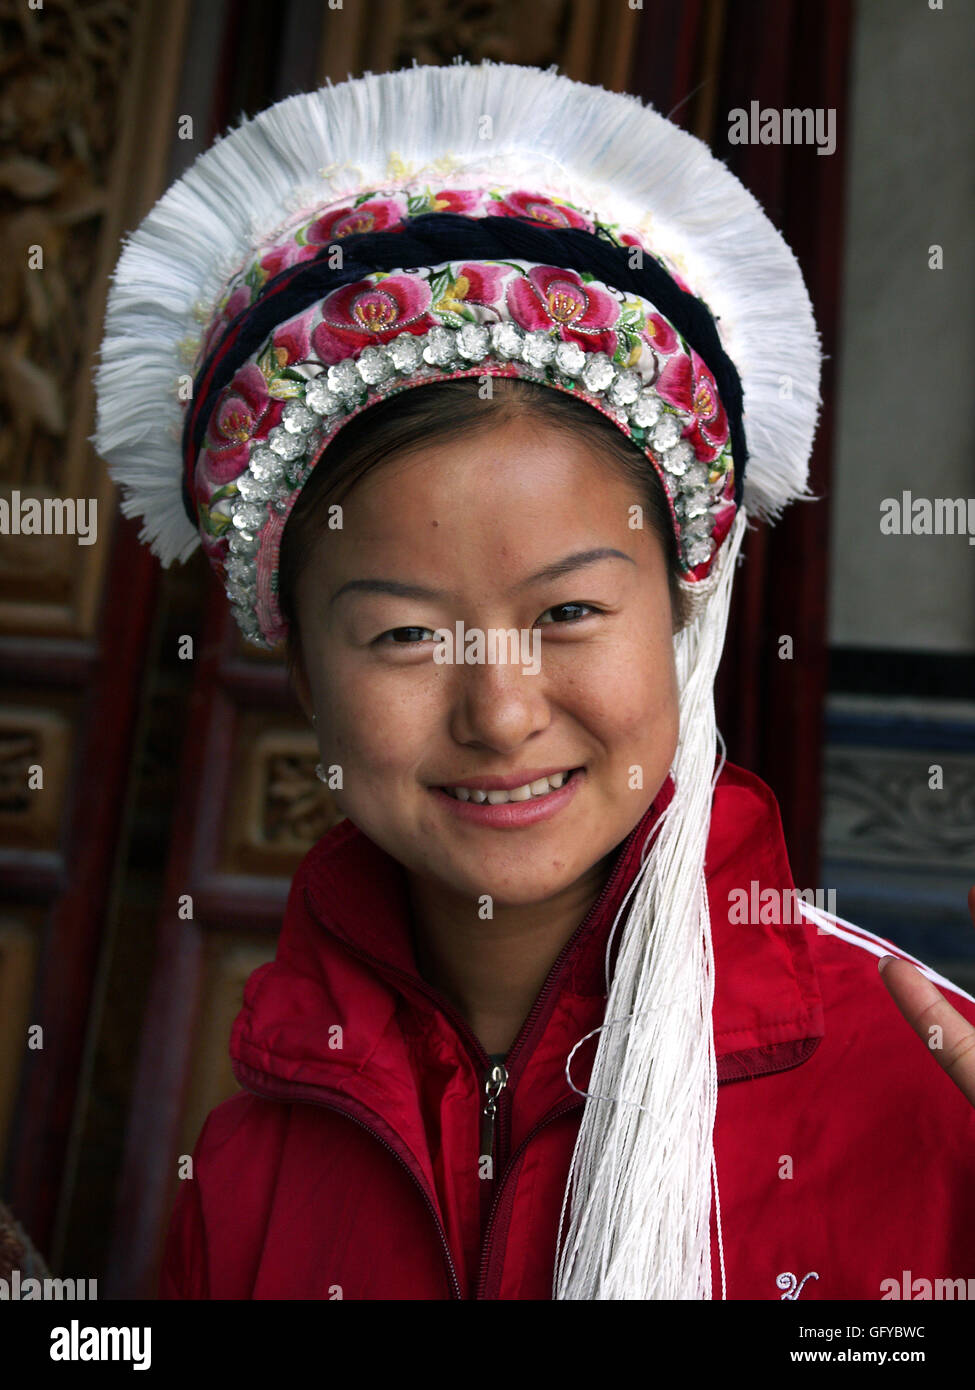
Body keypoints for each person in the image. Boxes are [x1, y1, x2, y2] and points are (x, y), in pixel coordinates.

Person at [92, 61, 975, 1301]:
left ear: (680, 613)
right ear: (297, 666)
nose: (501, 712)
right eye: (405, 636)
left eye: (568, 612)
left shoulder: (929, 1090)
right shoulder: (255, 1165)